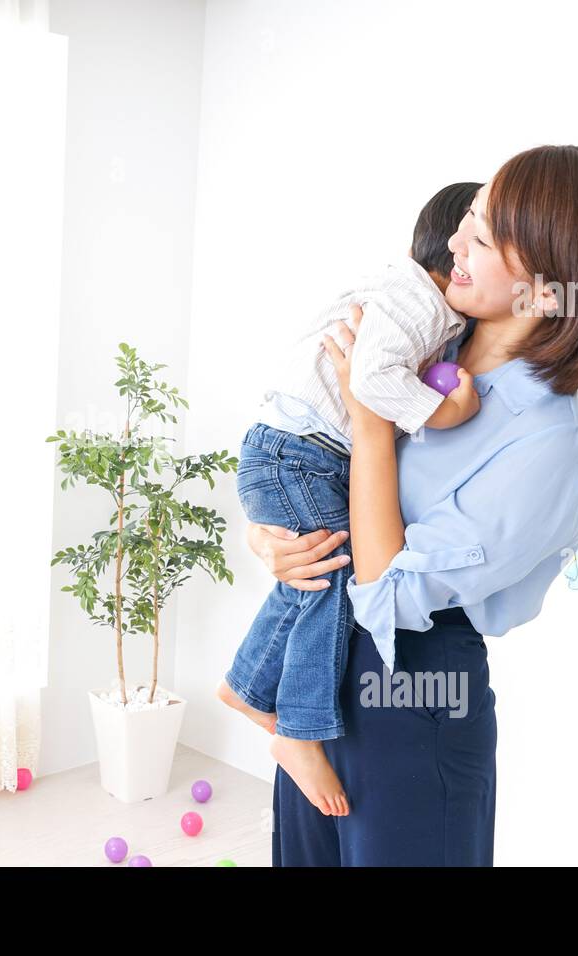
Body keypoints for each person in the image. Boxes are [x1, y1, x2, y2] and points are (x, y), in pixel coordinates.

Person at [248, 144, 578, 865]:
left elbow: (388, 594)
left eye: (485, 233)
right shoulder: (418, 338)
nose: (454, 243)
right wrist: (271, 540)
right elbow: (302, 447)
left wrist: (372, 417)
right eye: (467, 219)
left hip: (411, 696)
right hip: (313, 680)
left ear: (552, 288)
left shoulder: (545, 439)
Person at [219, 183, 483, 818]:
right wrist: (444, 412)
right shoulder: (421, 305)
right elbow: (366, 380)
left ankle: (250, 689)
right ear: (454, 257)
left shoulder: (405, 293)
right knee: (335, 574)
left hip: (286, 449)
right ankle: (297, 731)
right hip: (300, 451)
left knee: (315, 571)